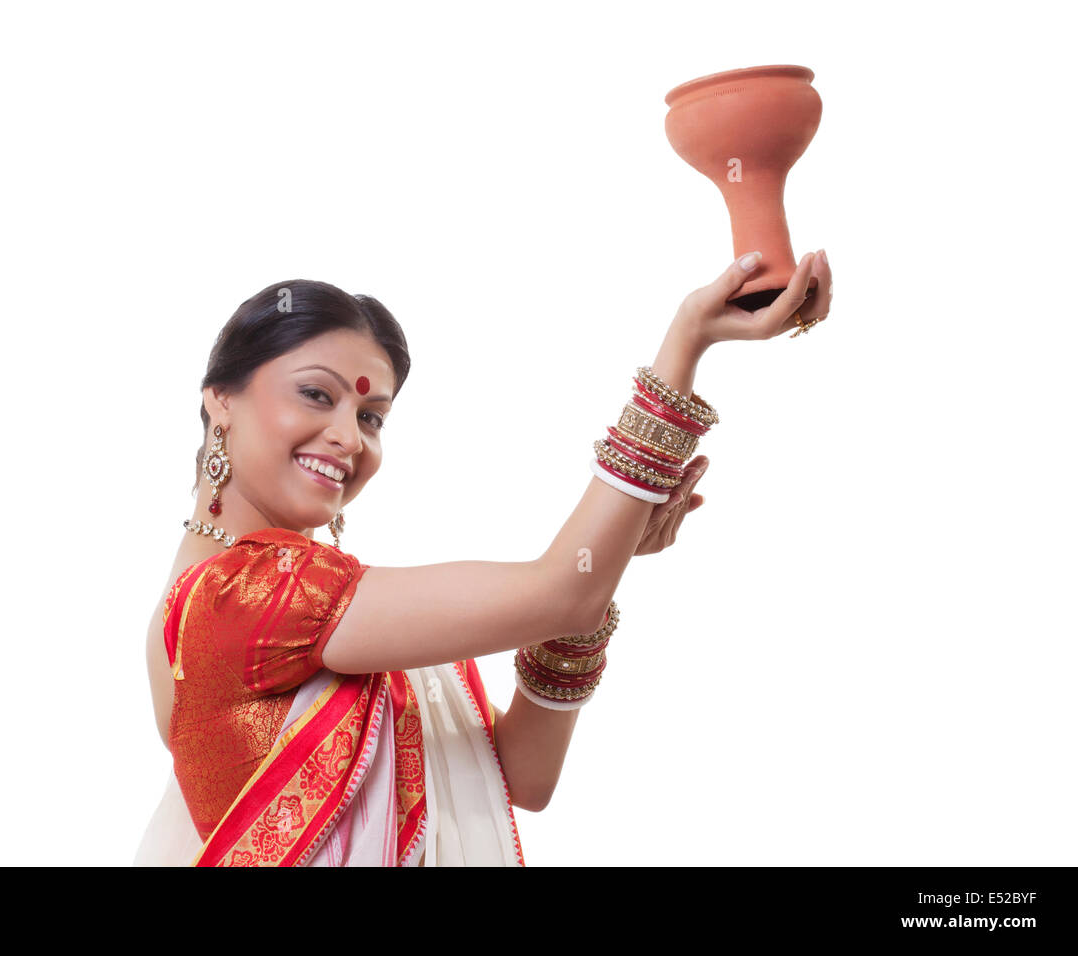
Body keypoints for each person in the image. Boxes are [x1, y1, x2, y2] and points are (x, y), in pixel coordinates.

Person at [134, 250, 834, 866]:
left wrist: (603, 571)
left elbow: (523, 776)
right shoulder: (244, 596)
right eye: (316, 394)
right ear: (220, 399)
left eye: (371, 417)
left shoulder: (307, 608)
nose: (349, 437)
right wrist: (688, 339)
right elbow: (561, 591)